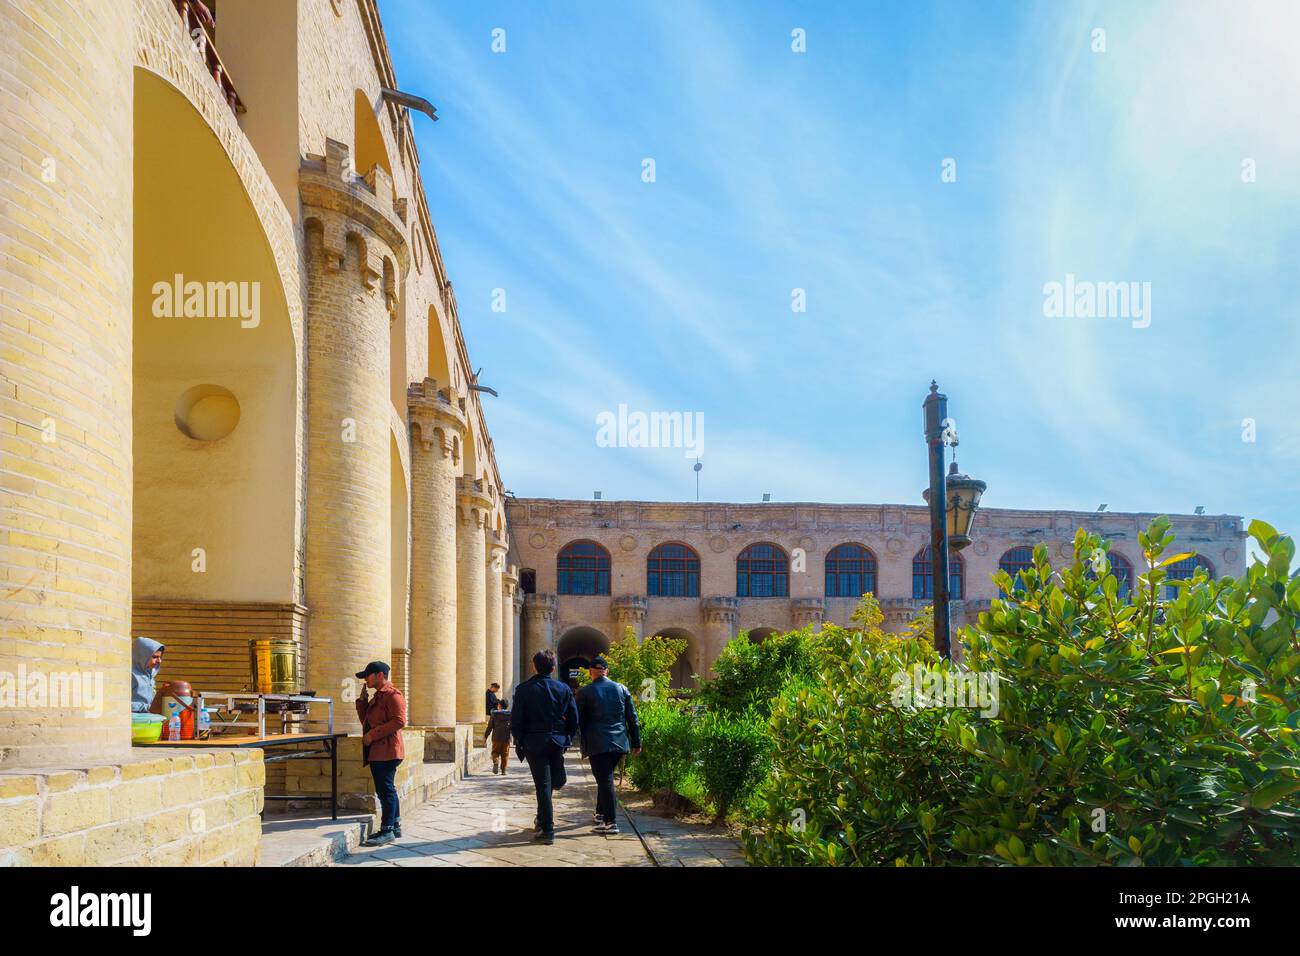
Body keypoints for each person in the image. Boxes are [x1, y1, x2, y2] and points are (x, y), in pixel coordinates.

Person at [510, 649, 578, 845]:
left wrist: (520, 741)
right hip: (556, 741)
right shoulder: (563, 689)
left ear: (534, 666)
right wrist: (567, 739)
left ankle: (547, 829)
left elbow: (517, 720)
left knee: (543, 784)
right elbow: (574, 719)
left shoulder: (523, 689)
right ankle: (542, 820)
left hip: (533, 742)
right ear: (554, 667)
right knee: (546, 784)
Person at [576, 655, 641, 835]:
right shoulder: (622, 689)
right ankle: (599, 814)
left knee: (605, 781)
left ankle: (610, 822)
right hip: (619, 742)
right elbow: (632, 719)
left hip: (597, 743)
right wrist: (636, 742)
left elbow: (576, 719)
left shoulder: (585, 691)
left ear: (590, 672)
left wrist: (566, 739)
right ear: (607, 671)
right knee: (605, 779)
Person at [354, 661, 406, 847]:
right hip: (379, 750)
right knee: (387, 788)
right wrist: (362, 702)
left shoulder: (392, 695)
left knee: (385, 791)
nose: (365, 680)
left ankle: (387, 830)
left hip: (387, 750)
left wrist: (372, 735)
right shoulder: (378, 697)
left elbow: (400, 721)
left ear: (379, 675)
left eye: (367, 675)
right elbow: (366, 722)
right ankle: (396, 825)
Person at [131, 637, 165, 713]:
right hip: (133, 722)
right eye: (155, 657)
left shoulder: (150, 676)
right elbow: (120, 704)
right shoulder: (129, 675)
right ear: (142, 656)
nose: (159, 661)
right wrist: (147, 707)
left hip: (148, 721)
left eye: (160, 657)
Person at [484, 697, 512, 774]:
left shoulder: (494, 714)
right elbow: (513, 726)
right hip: (506, 738)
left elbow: (490, 726)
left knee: (495, 752)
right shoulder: (510, 714)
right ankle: (503, 770)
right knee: (505, 754)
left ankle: (496, 761)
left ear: (499, 705)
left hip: (496, 737)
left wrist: (486, 736)